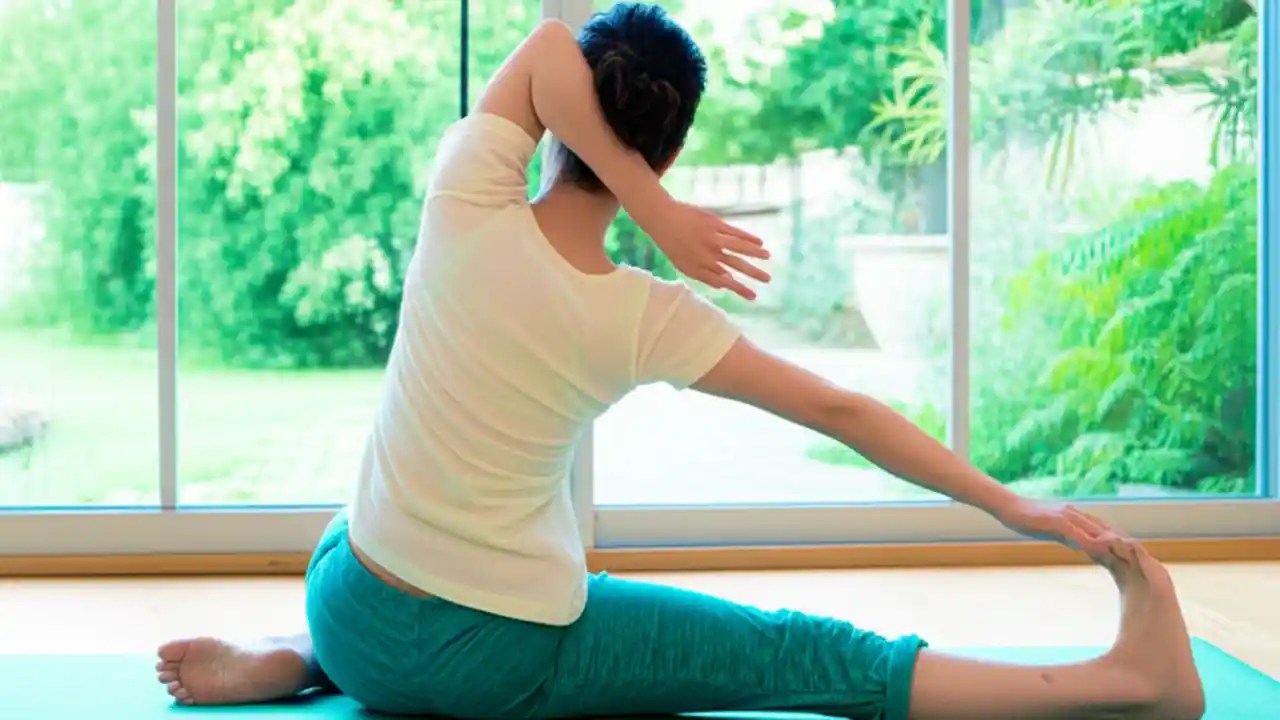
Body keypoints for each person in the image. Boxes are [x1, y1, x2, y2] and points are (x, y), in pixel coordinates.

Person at [154, 4, 1205, 719]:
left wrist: (649, 204)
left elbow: (546, 48)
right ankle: (1122, 685)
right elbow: (839, 411)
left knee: (386, 507)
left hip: (346, 604)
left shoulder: (464, 197)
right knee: (796, 651)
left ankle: (304, 659)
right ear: (669, 148)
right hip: (490, 661)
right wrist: (1009, 506)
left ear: (567, 126)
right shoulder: (643, 316)